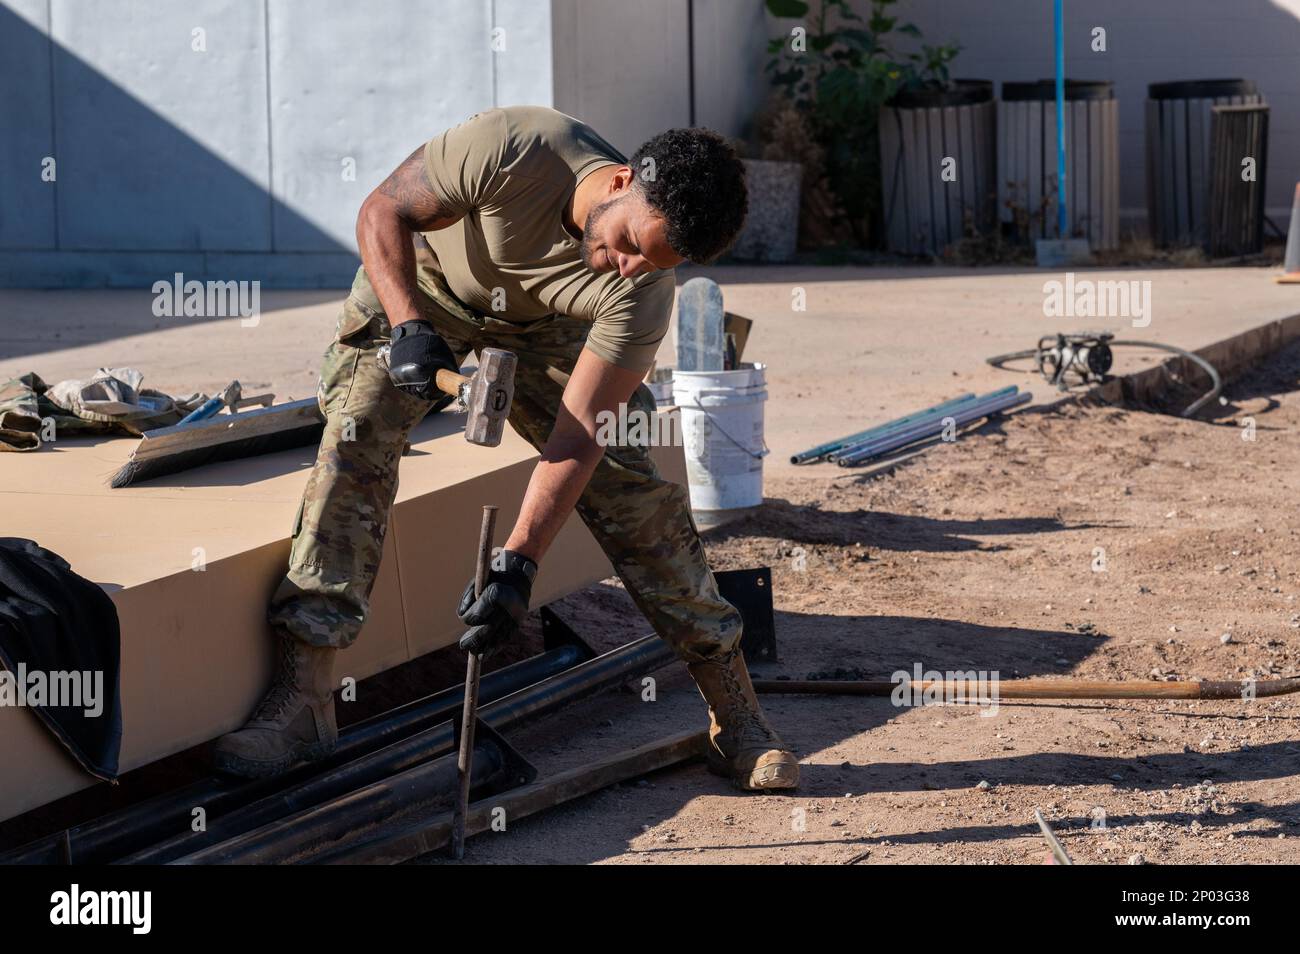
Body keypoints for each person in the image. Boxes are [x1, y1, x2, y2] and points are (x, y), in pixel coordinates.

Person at [213, 106, 799, 791]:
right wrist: (407, 328)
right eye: (628, 242)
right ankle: (305, 699)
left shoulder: (641, 291)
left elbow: (579, 433)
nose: (629, 266)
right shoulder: (518, 149)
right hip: (429, 284)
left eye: (653, 262)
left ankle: (734, 715)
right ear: (618, 183)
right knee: (359, 430)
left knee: (633, 487)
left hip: (549, 328)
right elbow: (382, 211)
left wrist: (518, 563)